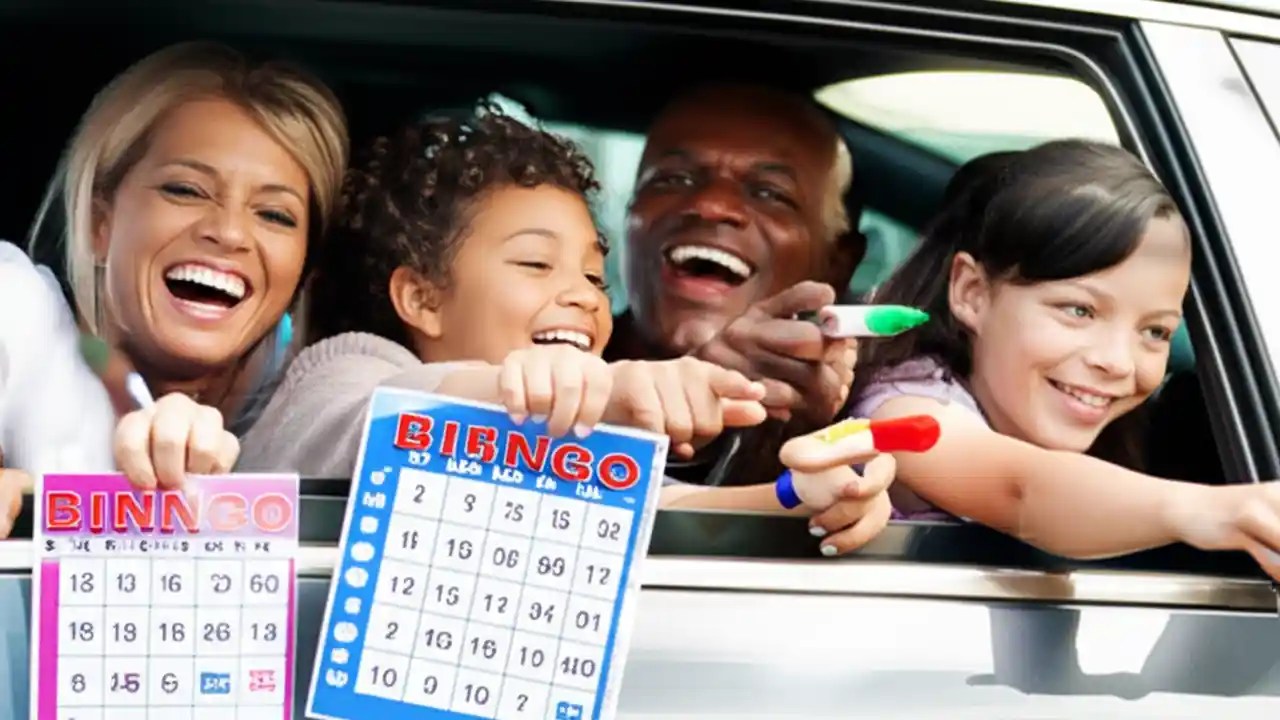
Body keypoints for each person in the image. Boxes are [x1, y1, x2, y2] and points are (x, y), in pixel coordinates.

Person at [238, 108, 896, 541]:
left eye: (593, 277)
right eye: (534, 263)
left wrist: (810, 494)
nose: (583, 298)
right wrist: (549, 391)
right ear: (422, 298)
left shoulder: (558, 432)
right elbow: (380, 420)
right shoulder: (349, 368)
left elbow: (668, 514)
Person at [789, 139, 1280, 580]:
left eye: (1154, 332)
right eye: (1079, 310)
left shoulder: (1106, 438)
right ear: (974, 294)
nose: (1118, 362)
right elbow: (1020, 491)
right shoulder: (907, 411)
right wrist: (1209, 508)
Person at [11, 41, 347, 498]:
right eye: (186, 190)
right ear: (98, 223)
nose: (229, 233)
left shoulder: (314, 395)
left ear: (303, 271)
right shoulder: (17, 311)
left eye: (274, 215)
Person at [605, 83, 869, 490]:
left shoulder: (865, 413)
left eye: (769, 193)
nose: (712, 205)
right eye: (673, 179)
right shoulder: (547, 366)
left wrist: (780, 434)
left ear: (839, 261)